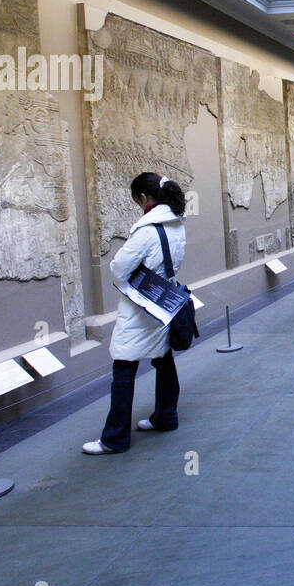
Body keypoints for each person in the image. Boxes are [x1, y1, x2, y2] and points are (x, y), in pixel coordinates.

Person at [83, 172, 188, 455]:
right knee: (164, 360)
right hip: (164, 301)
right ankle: (166, 416)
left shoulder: (146, 231)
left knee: (123, 368)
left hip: (140, 307)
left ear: (143, 197)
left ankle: (115, 438)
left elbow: (118, 267)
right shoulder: (177, 224)